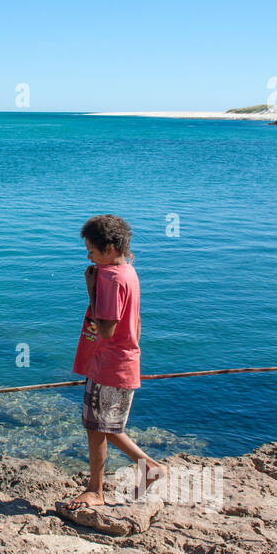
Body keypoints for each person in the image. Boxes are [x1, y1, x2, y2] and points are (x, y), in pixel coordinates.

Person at [62, 214, 166, 515]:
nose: (88, 255)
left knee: (99, 428)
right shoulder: (127, 272)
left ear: (109, 248)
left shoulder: (109, 278)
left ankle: (97, 490)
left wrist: (90, 288)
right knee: (103, 426)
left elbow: (106, 330)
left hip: (110, 365)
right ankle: (148, 469)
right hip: (120, 362)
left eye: (91, 250)